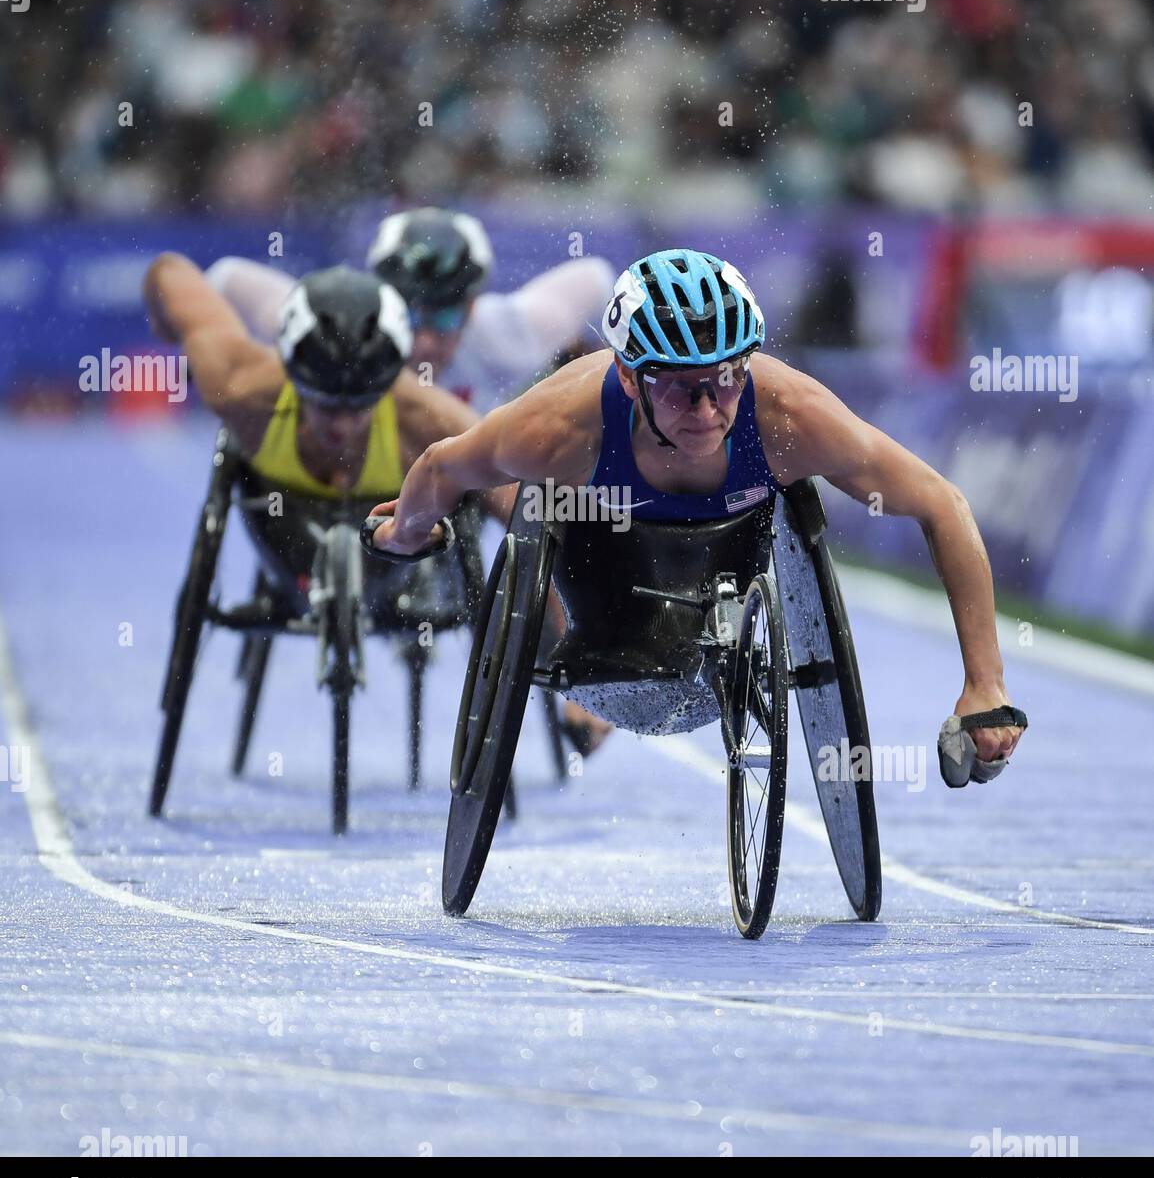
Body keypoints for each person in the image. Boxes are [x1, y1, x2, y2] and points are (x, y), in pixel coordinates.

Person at [366, 247, 1027, 783]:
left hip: (728, 589)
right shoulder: (558, 425)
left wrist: (984, 684)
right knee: (546, 505)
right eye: (680, 388)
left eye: (726, 379)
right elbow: (441, 466)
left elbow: (943, 504)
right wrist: (408, 533)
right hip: (600, 609)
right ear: (629, 378)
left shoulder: (794, 418)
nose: (709, 409)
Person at [143, 253, 495, 615]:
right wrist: (165, 326)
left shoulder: (428, 416)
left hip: (391, 546)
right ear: (294, 379)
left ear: (386, 385)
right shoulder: (240, 386)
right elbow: (168, 271)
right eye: (326, 406)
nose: (341, 426)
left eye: (359, 406)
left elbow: (514, 497)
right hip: (283, 526)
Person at [205, 206, 615, 411]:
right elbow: (224, 278)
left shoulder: (512, 333)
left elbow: (598, 278)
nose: (423, 343)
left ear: (472, 307)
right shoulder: (336, 326)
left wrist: (600, 360)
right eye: (408, 317)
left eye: (444, 320)